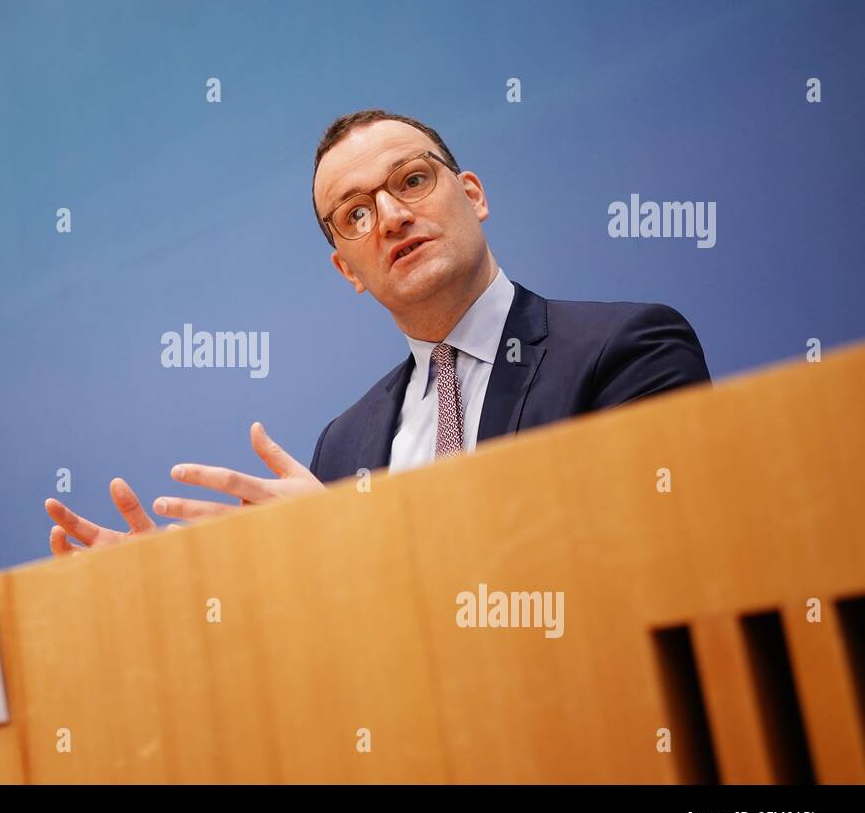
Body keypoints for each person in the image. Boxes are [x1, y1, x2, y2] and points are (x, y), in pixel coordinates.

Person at [45, 109, 710, 553]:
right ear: (347, 270)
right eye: (355, 215)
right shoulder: (342, 445)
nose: (390, 217)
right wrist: (183, 589)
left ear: (473, 194)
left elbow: (654, 551)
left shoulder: (626, 348)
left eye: (412, 180)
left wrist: (356, 537)